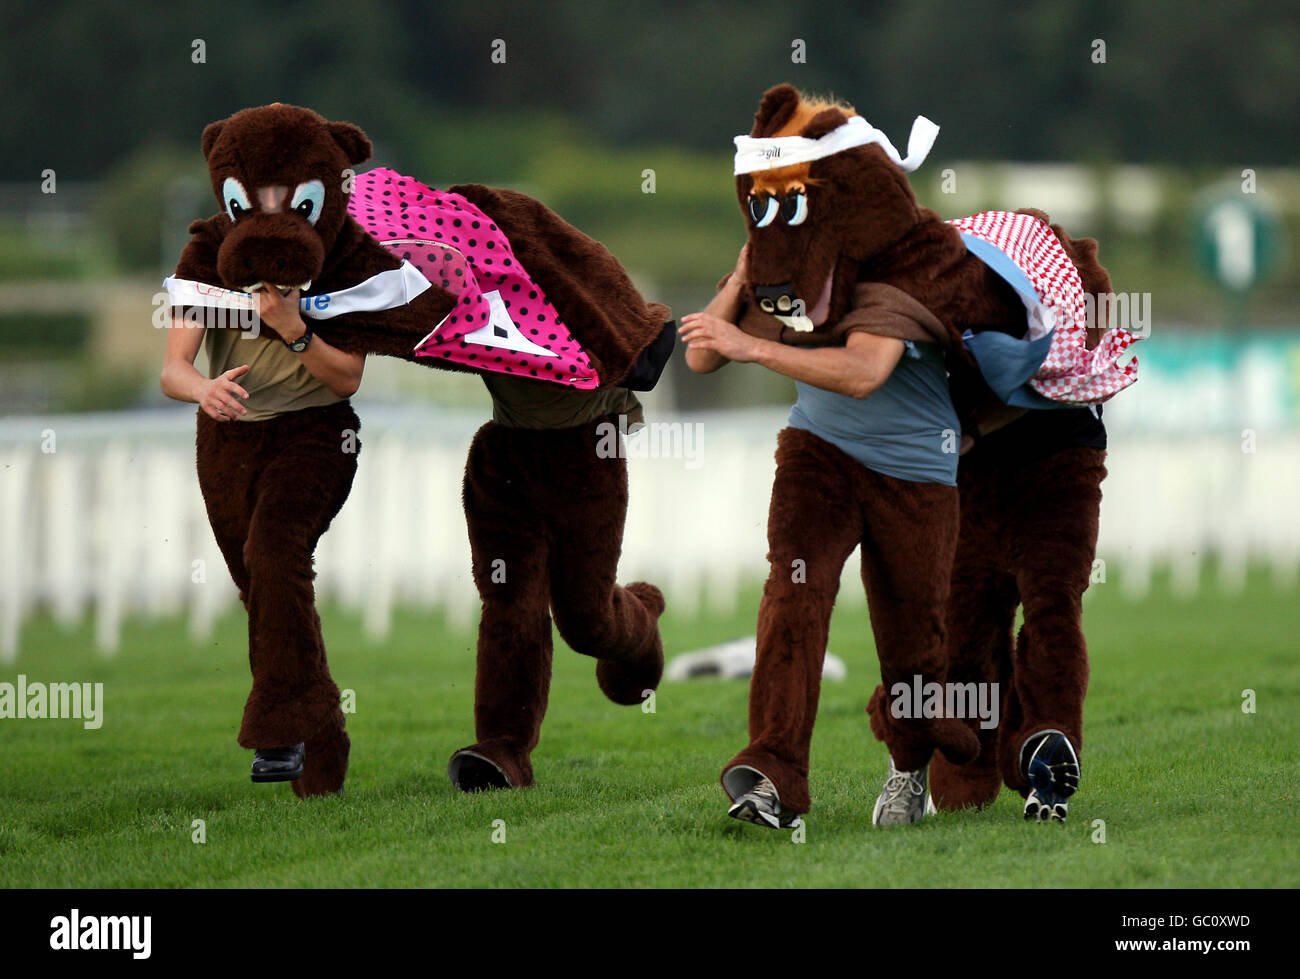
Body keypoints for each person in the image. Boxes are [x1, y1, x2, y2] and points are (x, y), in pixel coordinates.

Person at [681, 245, 978, 829]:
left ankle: (909, 768)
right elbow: (700, 357)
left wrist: (755, 348)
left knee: (913, 647)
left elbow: (864, 373)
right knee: (793, 599)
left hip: (917, 471)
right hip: (817, 454)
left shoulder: (897, 269)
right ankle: (772, 772)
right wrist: (741, 277)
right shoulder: (778, 264)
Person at [160, 283, 363, 795]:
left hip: (319, 435)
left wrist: (294, 328)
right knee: (265, 594)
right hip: (228, 442)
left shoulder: (345, 267)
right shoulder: (207, 264)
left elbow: (347, 378)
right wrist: (203, 389)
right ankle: (323, 751)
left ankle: (278, 730)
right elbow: (172, 370)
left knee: (273, 554)